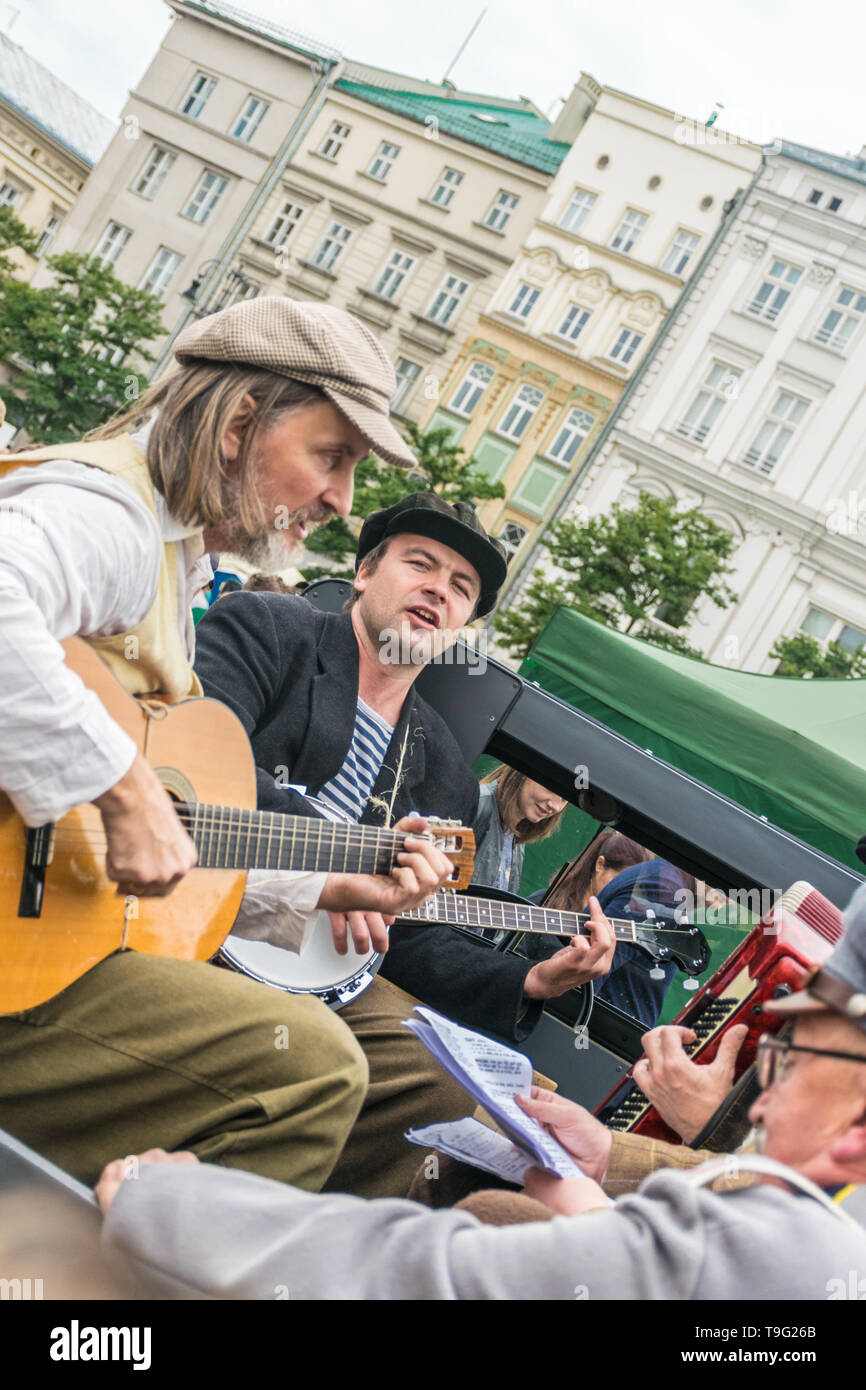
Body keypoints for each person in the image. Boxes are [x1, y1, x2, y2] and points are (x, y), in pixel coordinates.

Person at [0, 296, 454, 1194]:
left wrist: (316, 883)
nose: (342, 499)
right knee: (312, 1071)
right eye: (331, 458)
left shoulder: (179, 560)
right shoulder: (110, 513)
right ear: (241, 424)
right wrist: (123, 788)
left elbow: (152, 843)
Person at [95, 882, 866, 1300]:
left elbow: (428, 1276)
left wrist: (168, 1203)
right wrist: (615, 1160)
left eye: (789, 1055)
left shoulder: (807, 1250)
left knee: (496, 1216)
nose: (758, 1100)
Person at [194, 493, 612, 1195]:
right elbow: (203, 761)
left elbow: (407, 931)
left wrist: (530, 980)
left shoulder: (445, 770)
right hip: (206, 920)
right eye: (421, 564)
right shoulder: (268, 627)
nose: (437, 591)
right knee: (321, 1058)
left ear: (460, 629)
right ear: (363, 573)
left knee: (470, 1100)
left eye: (460, 589)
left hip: (324, 979)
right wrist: (355, 854)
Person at [470, 765, 567, 896]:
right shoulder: (475, 806)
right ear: (523, 775)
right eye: (550, 788)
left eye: (565, 799)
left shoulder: (516, 837)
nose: (555, 806)